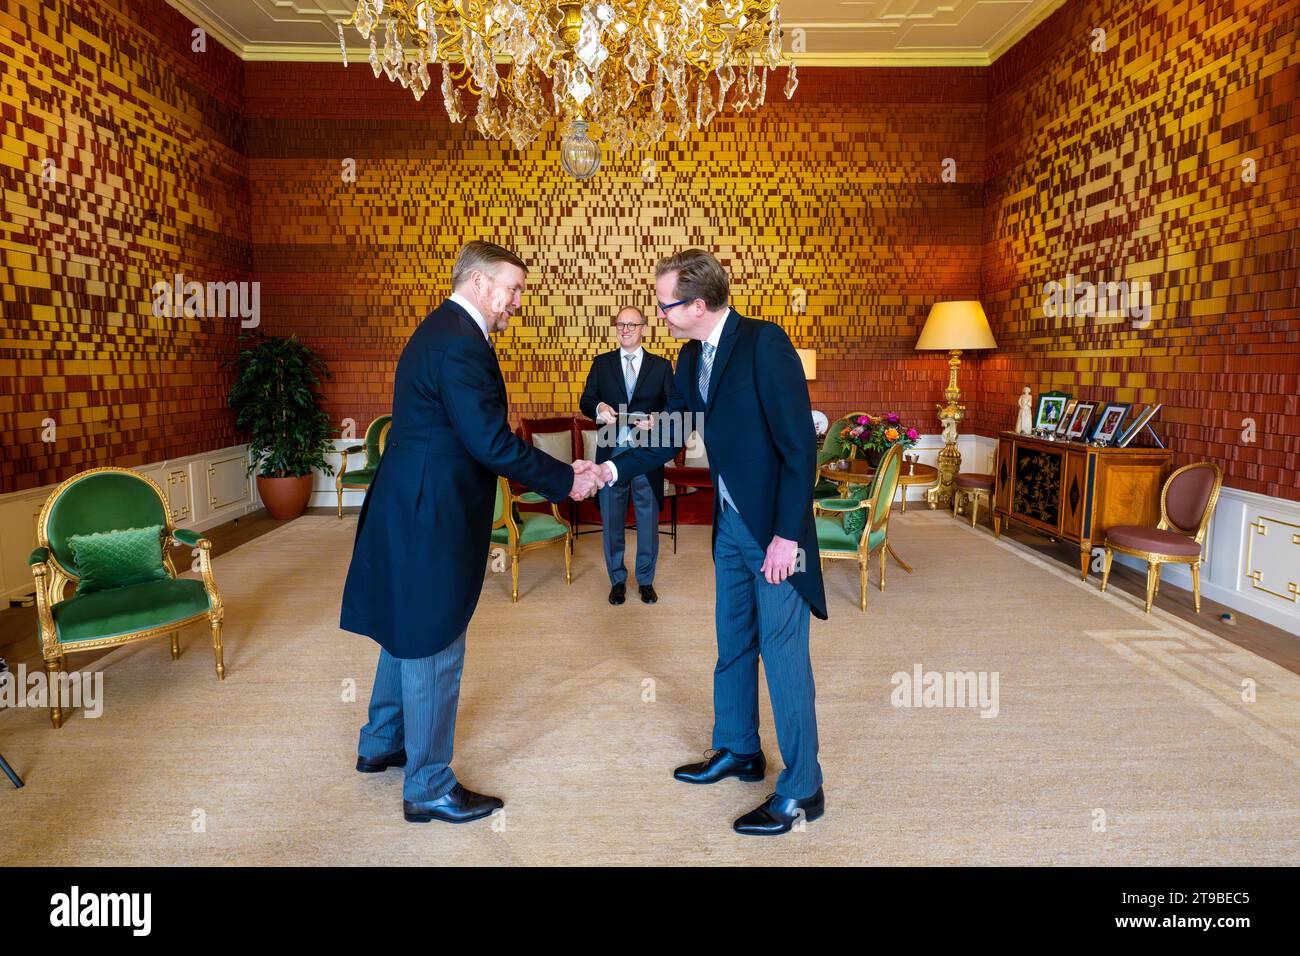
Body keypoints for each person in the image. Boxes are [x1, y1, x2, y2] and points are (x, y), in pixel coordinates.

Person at [340, 240, 604, 824]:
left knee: (403, 626)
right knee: (434, 638)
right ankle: (429, 785)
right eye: (513, 290)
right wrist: (567, 479)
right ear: (480, 283)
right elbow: (489, 443)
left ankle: (381, 740)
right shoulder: (460, 344)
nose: (516, 302)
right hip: (431, 513)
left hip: (407, 504)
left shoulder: (439, 329)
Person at [597, 249, 828, 836]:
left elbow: (799, 448)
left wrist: (785, 536)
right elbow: (672, 430)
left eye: (665, 303)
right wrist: (609, 471)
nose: (659, 314)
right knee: (732, 642)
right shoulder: (692, 352)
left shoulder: (764, 344)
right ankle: (739, 749)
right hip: (729, 528)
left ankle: (804, 788)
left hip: (775, 534)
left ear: (698, 304)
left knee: (783, 657)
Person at [579, 306, 672, 605]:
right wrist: (599, 409)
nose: (626, 329)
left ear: (644, 328)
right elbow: (586, 400)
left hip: (647, 453)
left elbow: (673, 407)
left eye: (632, 324)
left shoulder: (661, 367)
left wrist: (657, 420)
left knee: (647, 520)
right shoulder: (602, 363)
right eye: (621, 324)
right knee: (612, 520)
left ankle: (646, 580)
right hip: (611, 450)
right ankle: (617, 580)